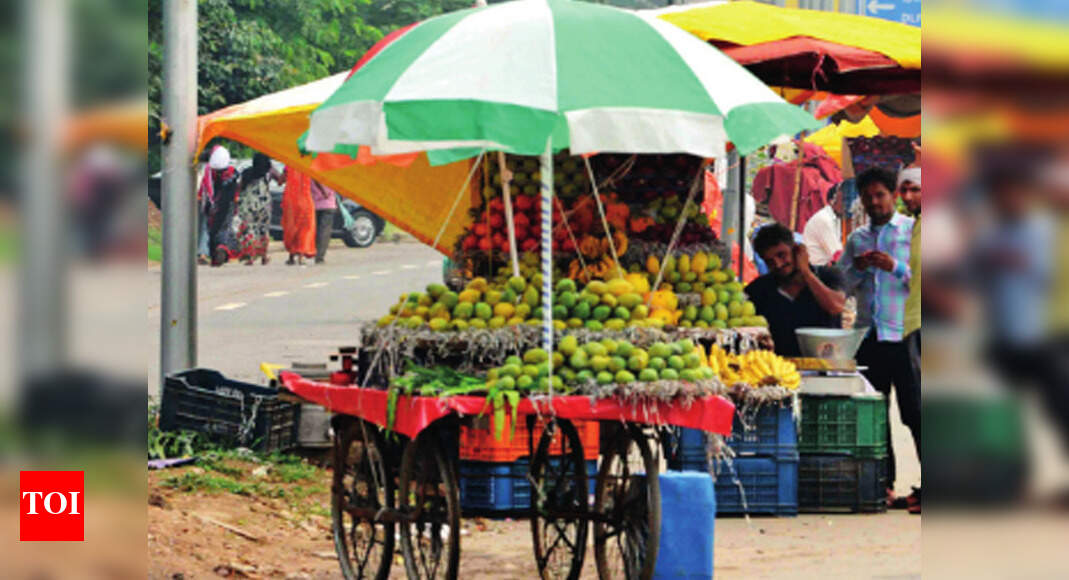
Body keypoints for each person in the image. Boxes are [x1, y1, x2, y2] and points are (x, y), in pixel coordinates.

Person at [838, 166, 919, 510]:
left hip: (907, 334)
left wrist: (894, 267)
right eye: (868, 197)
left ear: (893, 196)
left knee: (916, 412)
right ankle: (883, 485)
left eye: (880, 195)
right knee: (874, 414)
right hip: (871, 335)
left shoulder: (913, 231)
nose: (874, 202)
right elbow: (841, 285)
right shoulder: (857, 238)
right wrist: (857, 267)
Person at [745, 223, 846, 357]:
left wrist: (806, 272)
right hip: (779, 369)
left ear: (796, 250)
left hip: (825, 368)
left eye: (782, 255)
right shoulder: (759, 289)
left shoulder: (828, 275)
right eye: (770, 261)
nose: (778, 264)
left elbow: (835, 306)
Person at [898, 164, 922, 514]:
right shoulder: (917, 224)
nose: (907, 196)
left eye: (914, 188)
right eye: (903, 189)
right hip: (915, 324)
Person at [234, 153, 281, 265]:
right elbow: (280, 180)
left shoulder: (247, 172)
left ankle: (250, 257)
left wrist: (236, 200)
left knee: (249, 230)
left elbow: (239, 188)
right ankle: (264, 256)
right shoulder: (268, 173)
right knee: (263, 230)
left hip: (248, 205)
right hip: (263, 205)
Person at [199, 146, 240, 267]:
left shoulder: (210, 173)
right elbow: (237, 190)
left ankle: (216, 254)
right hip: (229, 205)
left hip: (215, 205)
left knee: (213, 229)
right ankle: (223, 249)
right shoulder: (233, 173)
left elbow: (205, 188)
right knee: (226, 230)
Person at [802, 182, 845, 266]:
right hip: (819, 271)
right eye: (844, 201)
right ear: (833, 201)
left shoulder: (837, 218)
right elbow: (838, 256)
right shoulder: (824, 220)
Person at [281, 168, 316, 265]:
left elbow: (281, 180)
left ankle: (291, 256)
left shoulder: (288, 165)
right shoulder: (308, 164)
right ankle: (301, 255)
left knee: (291, 228)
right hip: (305, 200)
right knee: (305, 228)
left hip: (291, 201)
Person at [310, 179, 338, 264]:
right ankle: (319, 256)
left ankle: (316, 253)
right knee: (324, 232)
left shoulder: (310, 170)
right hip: (327, 203)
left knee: (318, 231)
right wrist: (324, 191)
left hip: (315, 203)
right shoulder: (329, 171)